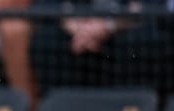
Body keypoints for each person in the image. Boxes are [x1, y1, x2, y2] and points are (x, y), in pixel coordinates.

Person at [28, 0, 174, 94]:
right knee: (45, 41)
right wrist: (75, 25)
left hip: (123, 30)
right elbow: (44, 6)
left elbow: (152, 8)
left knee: (146, 40)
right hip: (76, 30)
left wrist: (108, 26)